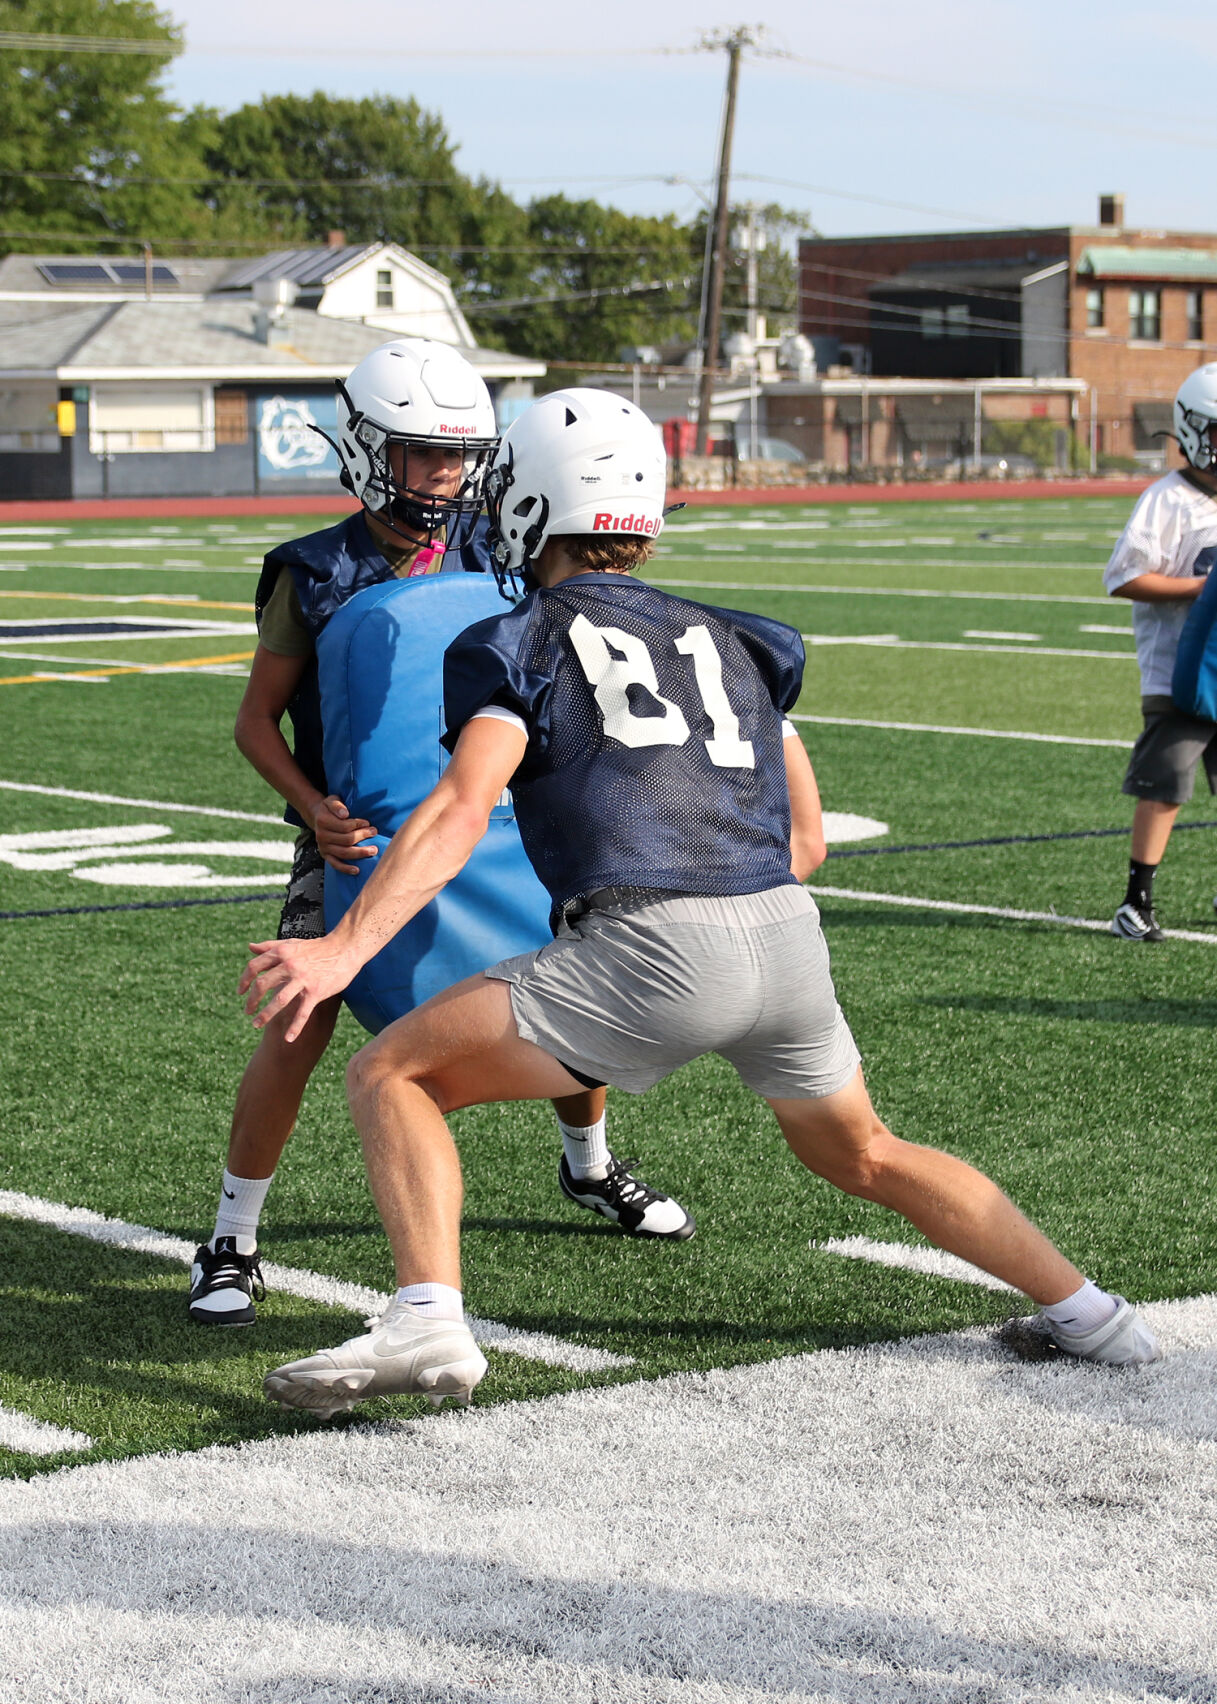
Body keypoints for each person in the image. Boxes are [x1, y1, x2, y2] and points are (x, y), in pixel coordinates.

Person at [242, 388, 1160, 1417]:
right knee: (865, 1151)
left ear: (530, 507)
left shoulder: (518, 640)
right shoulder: (735, 637)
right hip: (785, 937)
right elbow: (806, 842)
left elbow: (459, 810)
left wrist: (342, 948)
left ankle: (426, 1317)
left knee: (391, 1071)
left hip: (653, 946)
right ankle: (1094, 1316)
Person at [189, 347, 693, 1330]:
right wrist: (313, 804)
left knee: (568, 977)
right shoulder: (314, 572)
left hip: (501, 812)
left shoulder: (503, 543)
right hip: (356, 834)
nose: (445, 474)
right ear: (367, 449)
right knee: (300, 1015)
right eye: (422, 453)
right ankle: (231, 1237)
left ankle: (587, 1166)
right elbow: (255, 722)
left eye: (458, 455)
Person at [1107, 362, 1217, 942]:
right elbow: (1124, 577)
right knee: (1167, 784)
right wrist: (1200, 589)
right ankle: (1136, 901)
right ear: (1195, 429)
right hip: (1178, 671)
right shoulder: (1168, 499)